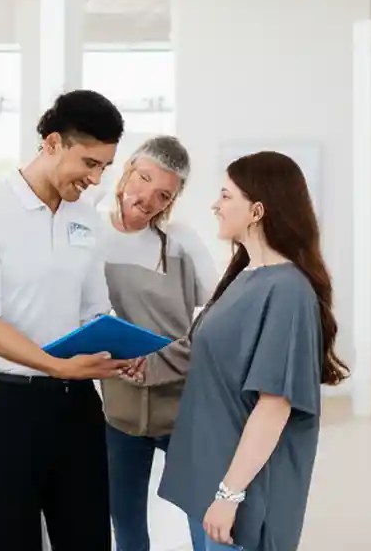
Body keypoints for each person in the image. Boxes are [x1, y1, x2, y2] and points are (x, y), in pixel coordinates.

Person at [0, 89, 128, 551]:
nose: (96, 177)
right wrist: (56, 364)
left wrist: (119, 349)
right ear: (52, 143)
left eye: (105, 166)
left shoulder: (85, 218)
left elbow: (93, 308)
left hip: (78, 411)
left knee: (87, 541)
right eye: (89, 163)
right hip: (8, 411)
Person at [158, 151, 350, 551]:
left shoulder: (288, 291)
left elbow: (274, 405)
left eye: (226, 196)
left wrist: (229, 496)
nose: (215, 205)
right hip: (211, 476)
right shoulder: (244, 276)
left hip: (241, 490)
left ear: (257, 210)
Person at [98, 136, 218, 551]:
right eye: (143, 179)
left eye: (162, 194)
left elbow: (216, 310)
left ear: (174, 198)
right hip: (120, 404)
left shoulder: (181, 240)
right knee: (126, 519)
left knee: (203, 510)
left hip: (182, 400)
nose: (146, 198)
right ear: (127, 167)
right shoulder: (89, 233)